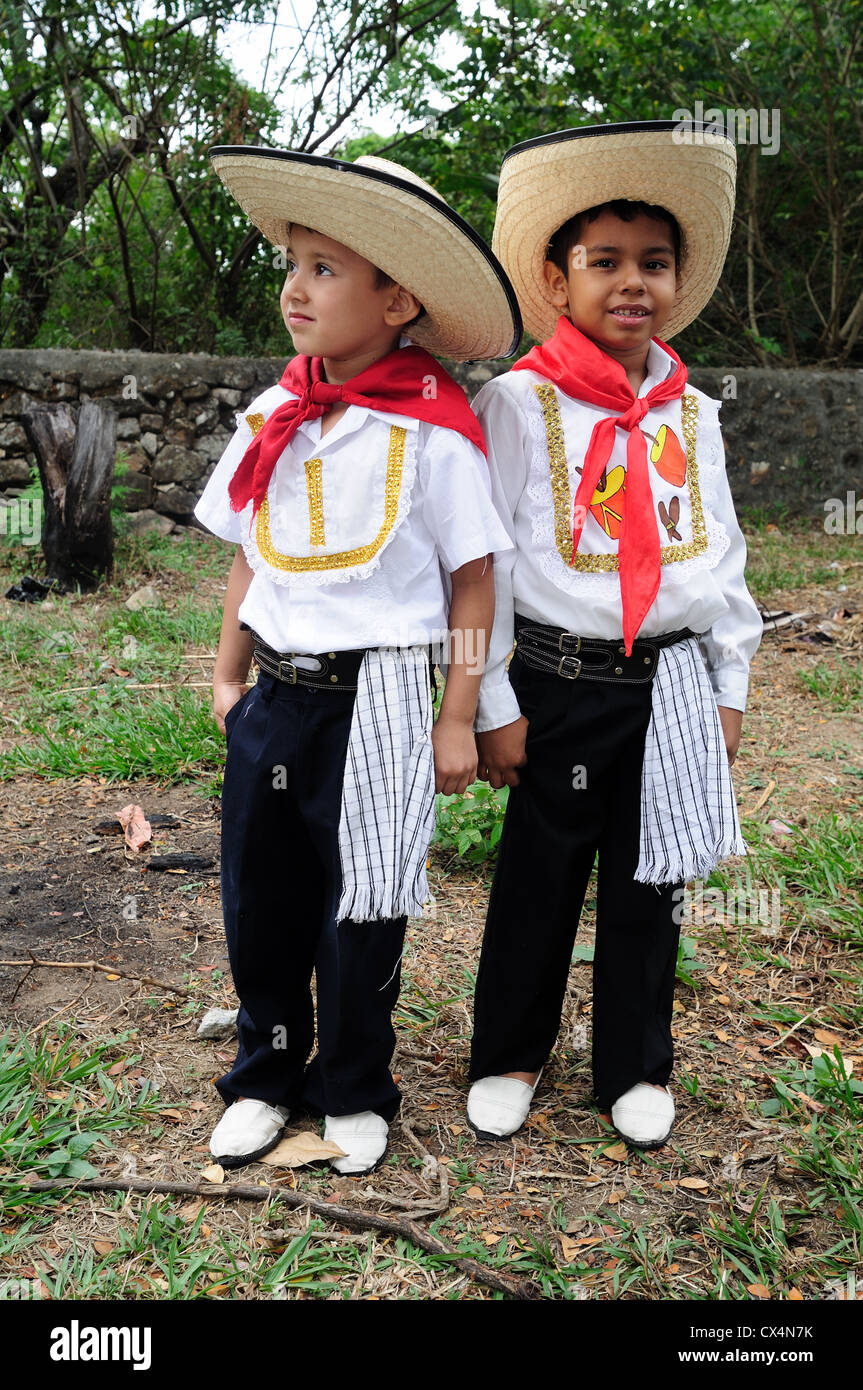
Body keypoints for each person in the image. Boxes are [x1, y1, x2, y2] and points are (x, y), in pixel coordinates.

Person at [193, 148, 520, 1175]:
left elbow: (473, 582)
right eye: (294, 261)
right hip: (276, 694)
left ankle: (353, 1084)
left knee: (365, 900)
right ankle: (265, 1073)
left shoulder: (435, 434)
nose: (296, 286)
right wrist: (227, 673)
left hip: (376, 697)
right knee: (261, 894)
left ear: (396, 299)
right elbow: (253, 551)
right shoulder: (273, 413)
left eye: (327, 268)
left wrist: (457, 711)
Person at [466, 121, 763, 1149]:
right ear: (556, 279)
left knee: (655, 879)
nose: (629, 283)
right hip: (558, 681)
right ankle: (509, 1050)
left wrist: (727, 688)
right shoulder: (516, 401)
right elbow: (488, 564)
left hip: (672, 682)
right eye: (604, 262)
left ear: (676, 283)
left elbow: (717, 558)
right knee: (538, 876)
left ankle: (633, 1063)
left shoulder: (694, 414)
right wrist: (492, 704)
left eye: (653, 264)